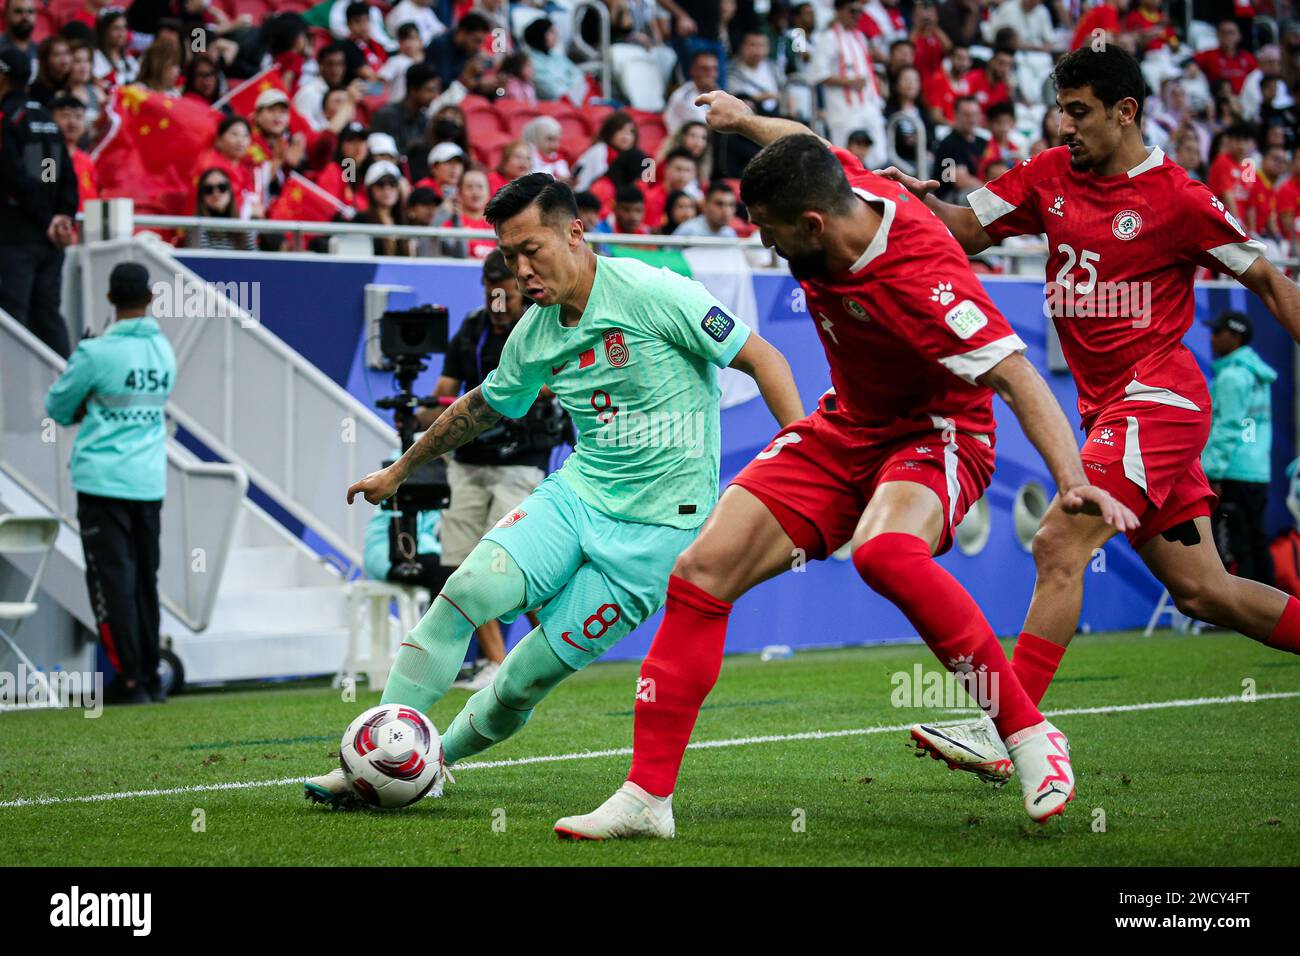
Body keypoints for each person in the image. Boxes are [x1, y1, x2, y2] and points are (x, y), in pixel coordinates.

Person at [555, 91, 1139, 840]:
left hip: (940, 430)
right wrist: (742, 120)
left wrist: (1072, 481)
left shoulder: (925, 278)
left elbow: (1019, 376)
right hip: (848, 423)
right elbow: (803, 138)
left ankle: (1028, 736)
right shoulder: (841, 186)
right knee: (702, 571)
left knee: (885, 554)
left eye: (769, 234)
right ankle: (646, 798)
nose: (765, 247)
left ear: (812, 224)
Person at [303, 173, 803, 807]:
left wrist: (803, 457)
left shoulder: (655, 293)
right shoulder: (535, 331)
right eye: (510, 256)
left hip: (660, 531)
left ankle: (427, 764)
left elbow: (765, 360)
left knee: (520, 681)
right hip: (578, 494)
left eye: (531, 250)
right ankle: (374, 757)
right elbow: (482, 404)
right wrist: (398, 470)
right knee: (465, 592)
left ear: (575, 232)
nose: (520, 271)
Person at [875, 46, 1300, 785]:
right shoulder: (1049, 176)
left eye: (1079, 112)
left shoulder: (1180, 197)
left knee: (1059, 538)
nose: (1063, 125)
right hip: (1110, 409)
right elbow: (962, 228)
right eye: (1060, 109)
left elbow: (1266, 276)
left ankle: (1005, 730)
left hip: (1158, 400)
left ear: (1125, 111)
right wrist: (904, 200)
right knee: (1206, 590)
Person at [410, 250, 566, 689]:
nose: (500, 310)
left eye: (508, 300)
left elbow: (556, 383)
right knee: (464, 564)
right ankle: (497, 662)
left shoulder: (542, 324)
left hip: (520, 461)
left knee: (513, 557)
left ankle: (553, 646)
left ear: (520, 291)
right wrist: (424, 414)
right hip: (469, 461)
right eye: (492, 297)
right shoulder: (472, 329)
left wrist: (504, 394)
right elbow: (445, 391)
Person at [45, 263, 177, 705]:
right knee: (144, 581)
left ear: (109, 300)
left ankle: (131, 681)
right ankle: (150, 679)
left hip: (103, 482)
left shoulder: (95, 352)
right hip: (148, 482)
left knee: (111, 583)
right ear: (150, 299)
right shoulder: (164, 350)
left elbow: (59, 407)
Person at [0, 47, 78, 359]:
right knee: (47, 317)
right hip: (50, 240)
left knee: (12, 319)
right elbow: (65, 177)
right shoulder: (46, 118)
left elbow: (14, 177)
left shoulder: (8, 118)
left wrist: (47, 218)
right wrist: (62, 217)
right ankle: (67, 392)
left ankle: (10, 401)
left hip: (17, 237)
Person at [1203, 311, 1277, 586]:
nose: (1212, 337)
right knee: (1257, 542)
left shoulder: (1232, 377)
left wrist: (1214, 473)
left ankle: (1238, 613)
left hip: (1232, 470)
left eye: (1218, 331)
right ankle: (1270, 612)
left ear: (1235, 337)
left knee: (1235, 546)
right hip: (1258, 471)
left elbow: (1228, 428)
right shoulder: (1257, 374)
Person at [673, 181, 738, 238]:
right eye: (719, 204)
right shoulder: (688, 230)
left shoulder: (730, 233)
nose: (726, 211)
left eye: (731, 205)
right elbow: (668, 251)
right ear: (705, 205)